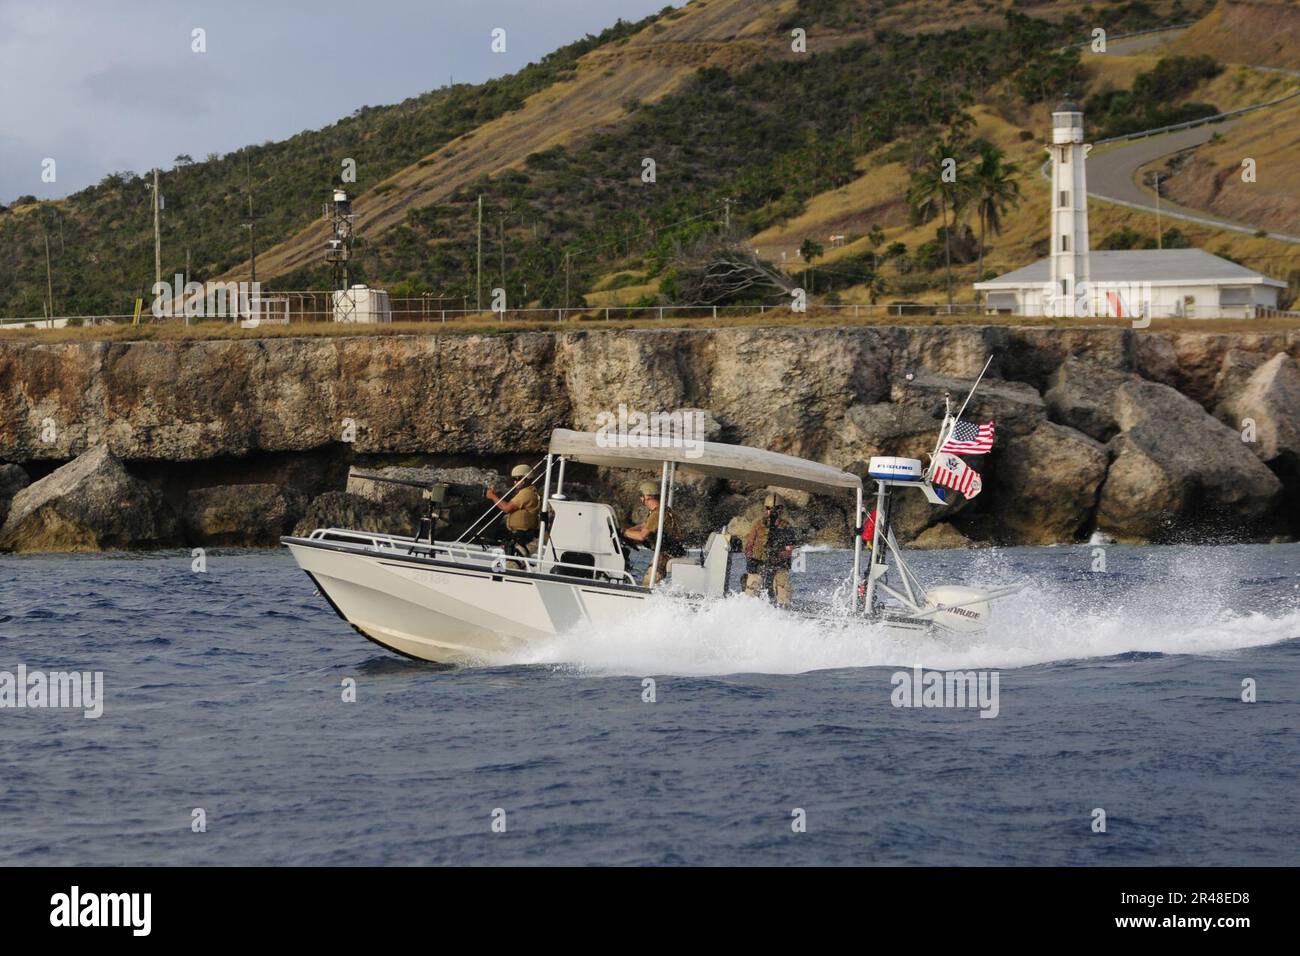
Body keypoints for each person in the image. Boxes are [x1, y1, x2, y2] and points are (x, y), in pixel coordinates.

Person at [623, 480, 682, 587]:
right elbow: (644, 525)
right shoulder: (661, 510)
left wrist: (624, 533)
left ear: (648, 496)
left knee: (648, 583)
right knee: (652, 583)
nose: (640, 498)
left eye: (641, 495)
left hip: (665, 554)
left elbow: (642, 536)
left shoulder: (657, 514)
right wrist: (627, 530)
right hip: (667, 552)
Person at [743, 492, 796, 607]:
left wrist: (778, 555)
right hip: (758, 561)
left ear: (781, 510)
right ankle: (748, 608)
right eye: (769, 508)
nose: (772, 511)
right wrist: (750, 559)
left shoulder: (787, 527)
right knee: (752, 586)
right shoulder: (758, 524)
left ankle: (784, 609)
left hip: (778, 564)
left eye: (776, 509)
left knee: (783, 585)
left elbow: (789, 550)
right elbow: (749, 544)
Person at [485, 464, 540, 556]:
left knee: (511, 562)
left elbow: (507, 508)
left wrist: (492, 496)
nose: (515, 482)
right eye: (513, 479)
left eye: (518, 478)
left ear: (526, 478)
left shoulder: (526, 493)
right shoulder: (528, 492)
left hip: (522, 536)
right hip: (519, 535)